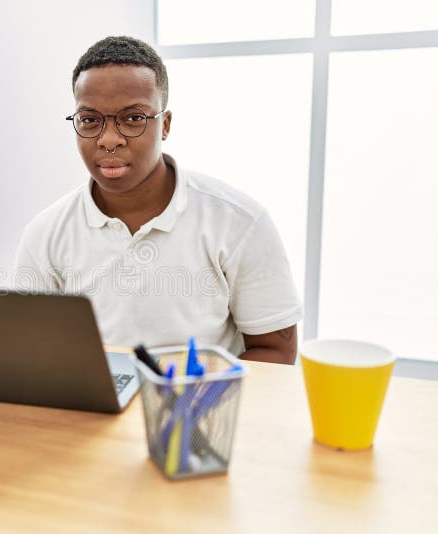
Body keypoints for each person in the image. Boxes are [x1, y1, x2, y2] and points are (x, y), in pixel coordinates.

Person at [15, 36, 302, 364]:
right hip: (97, 411)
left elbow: (276, 348)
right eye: (90, 120)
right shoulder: (45, 234)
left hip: (203, 407)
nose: (110, 139)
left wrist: (192, 408)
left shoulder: (239, 222)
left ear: (164, 125)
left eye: (133, 118)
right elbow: (35, 352)